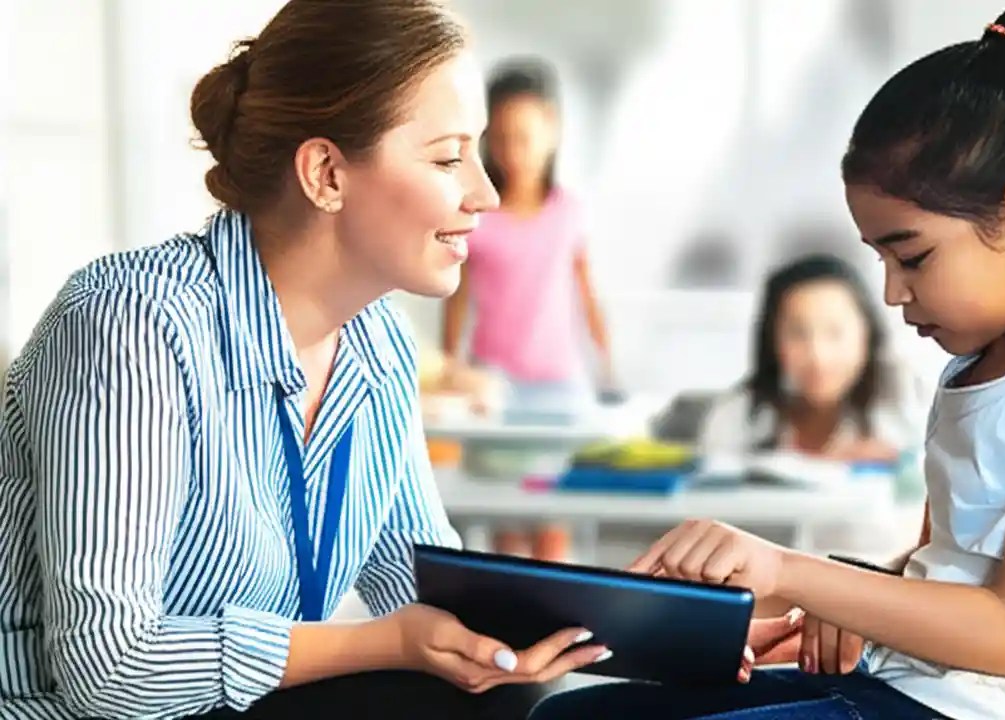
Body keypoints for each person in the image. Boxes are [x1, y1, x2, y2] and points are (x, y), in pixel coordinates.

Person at [531, 5, 1005, 719]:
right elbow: (939, 568)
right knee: (571, 714)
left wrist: (792, 572)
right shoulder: (977, 369)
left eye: (911, 255)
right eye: (880, 258)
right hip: (909, 686)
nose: (891, 292)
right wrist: (846, 601)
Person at [0, 3, 609, 719]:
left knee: (510, 696)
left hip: (243, 709)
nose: (487, 193)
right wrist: (378, 645)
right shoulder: (131, 326)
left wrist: (641, 634)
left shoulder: (378, 343)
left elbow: (428, 590)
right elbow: (108, 667)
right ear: (325, 173)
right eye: (449, 158)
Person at [442, 58, 609, 563]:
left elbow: (585, 293)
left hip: (560, 389)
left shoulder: (569, 212)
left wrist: (607, 364)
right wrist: (452, 364)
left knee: (552, 524)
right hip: (496, 388)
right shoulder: (478, 215)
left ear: (552, 131)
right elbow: (458, 295)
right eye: (505, 137)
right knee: (504, 526)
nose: (515, 150)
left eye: (527, 135)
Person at [699, 253, 920, 463]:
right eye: (797, 333)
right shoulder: (737, 417)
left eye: (835, 332)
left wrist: (901, 464)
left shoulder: (907, 407)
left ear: (867, 334)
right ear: (772, 340)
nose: (817, 355)